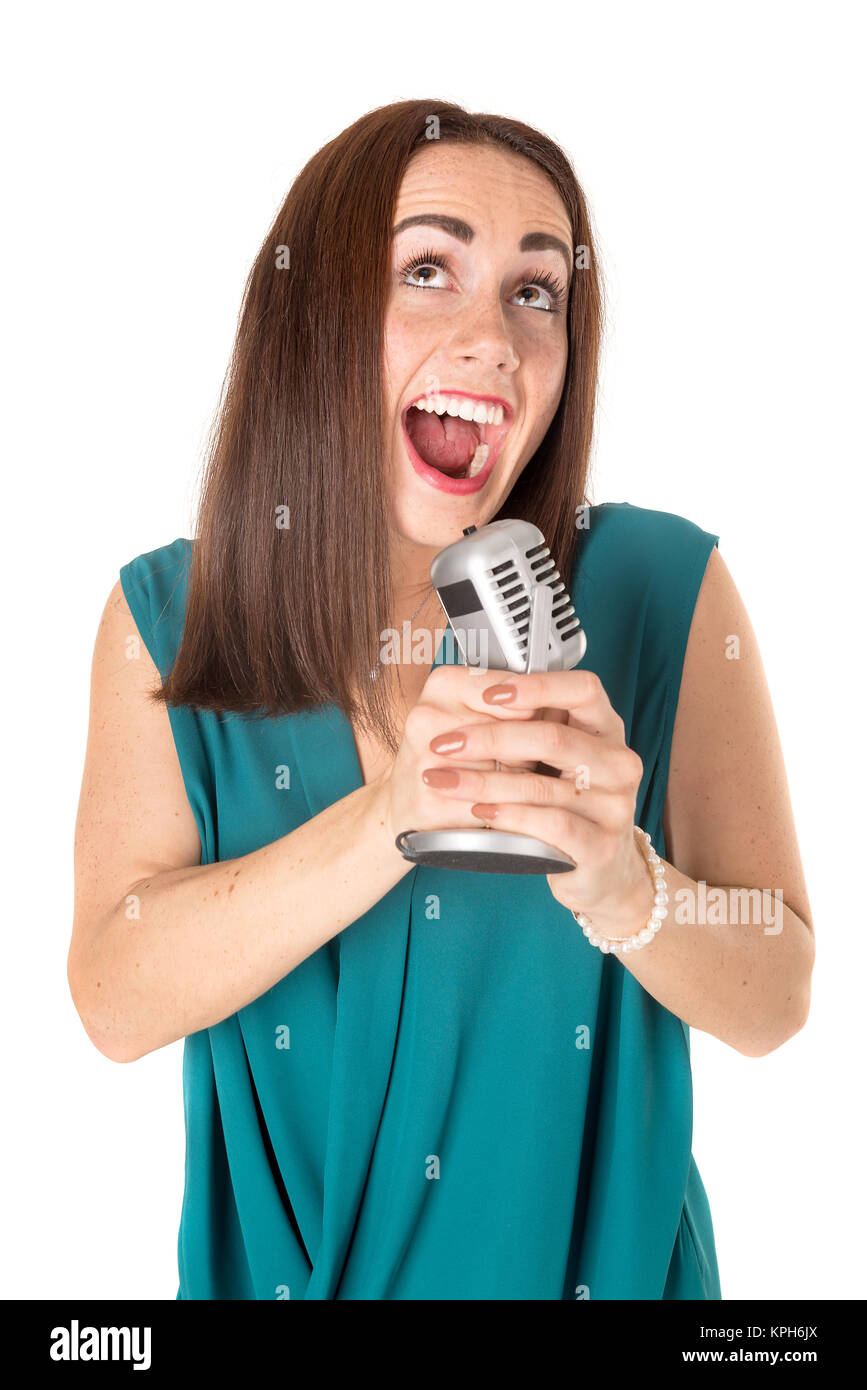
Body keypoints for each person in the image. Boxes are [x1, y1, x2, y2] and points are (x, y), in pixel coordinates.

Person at [68, 99, 815, 1300]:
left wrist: (630, 887)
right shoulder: (169, 620)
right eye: (429, 270)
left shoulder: (663, 592)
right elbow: (112, 991)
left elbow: (778, 990)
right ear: (312, 320)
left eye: (538, 294)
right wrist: (394, 816)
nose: (496, 343)